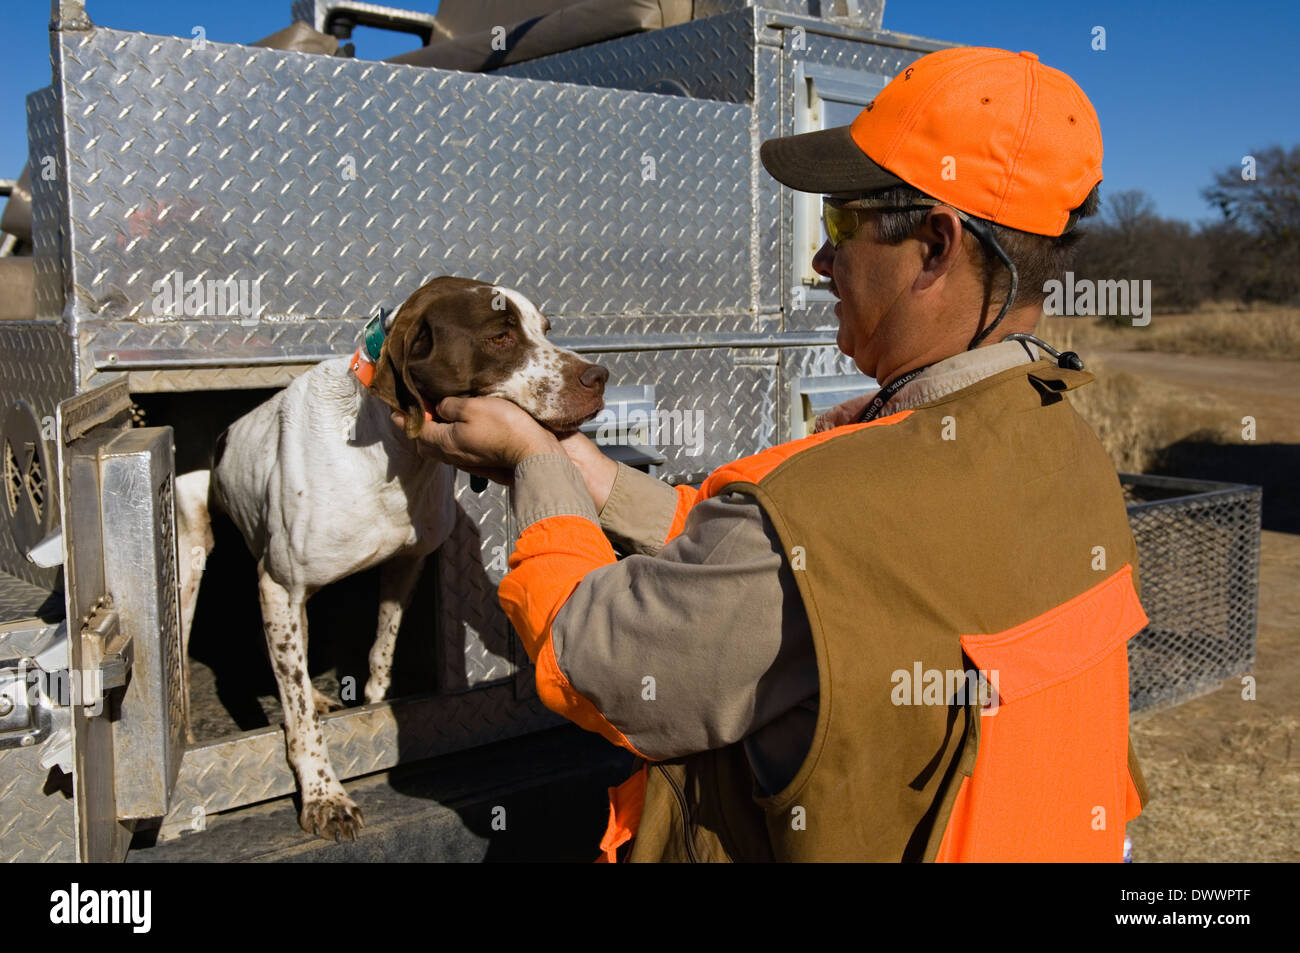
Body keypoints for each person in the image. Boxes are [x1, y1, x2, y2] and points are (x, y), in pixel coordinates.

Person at [397, 46, 1149, 862]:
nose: (822, 261)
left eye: (839, 224)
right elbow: (771, 567)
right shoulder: (1064, 440)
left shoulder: (836, 515)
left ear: (936, 245)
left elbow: (600, 664)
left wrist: (533, 464)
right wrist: (599, 479)